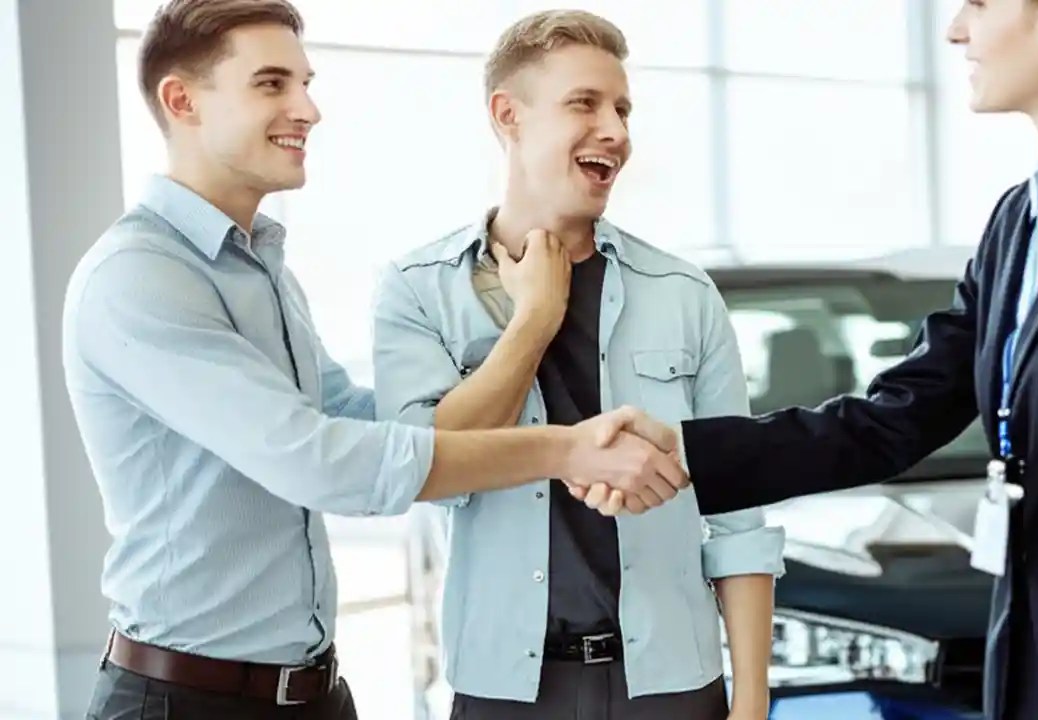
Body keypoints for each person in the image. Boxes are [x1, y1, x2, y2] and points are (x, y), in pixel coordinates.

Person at [585, 1, 1038, 719]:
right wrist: (687, 451)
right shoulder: (1022, 221)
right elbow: (894, 417)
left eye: (978, 3)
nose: (955, 29)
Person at [63, 2, 684, 718]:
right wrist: (566, 447)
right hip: (184, 700)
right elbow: (322, 462)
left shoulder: (259, 268)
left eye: (305, 83)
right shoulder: (138, 277)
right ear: (183, 101)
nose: (308, 109)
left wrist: (526, 334)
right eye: (272, 84)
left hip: (313, 691)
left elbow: (372, 423)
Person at [372, 10, 783, 720]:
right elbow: (425, 469)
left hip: (672, 684)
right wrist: (534, 320)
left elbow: (738, 513)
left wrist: (751, 700)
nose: (615, 131)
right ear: (508, 115)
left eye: (622, 109)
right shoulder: (419, 289)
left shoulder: (683, 294)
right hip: (507, 689)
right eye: (584, 104)